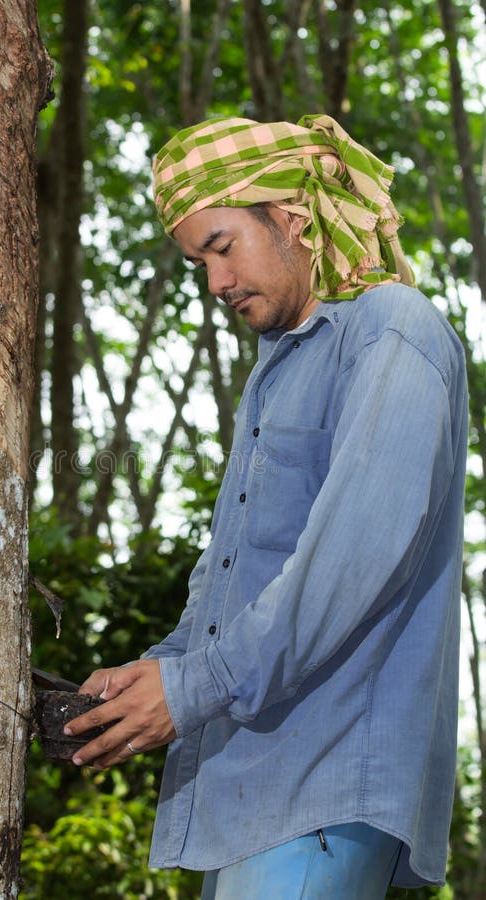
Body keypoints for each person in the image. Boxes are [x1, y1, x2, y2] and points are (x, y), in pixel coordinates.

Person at [63, 114, 468, 898]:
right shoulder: (276, 369)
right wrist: (159, 672)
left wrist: (189, 692)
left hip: (323, 791)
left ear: (289, 218)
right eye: (198, 262)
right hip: (250, 790)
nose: (215, 282)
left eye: (222, 246)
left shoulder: (393, 332)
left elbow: (346, 565)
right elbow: (244, 575)